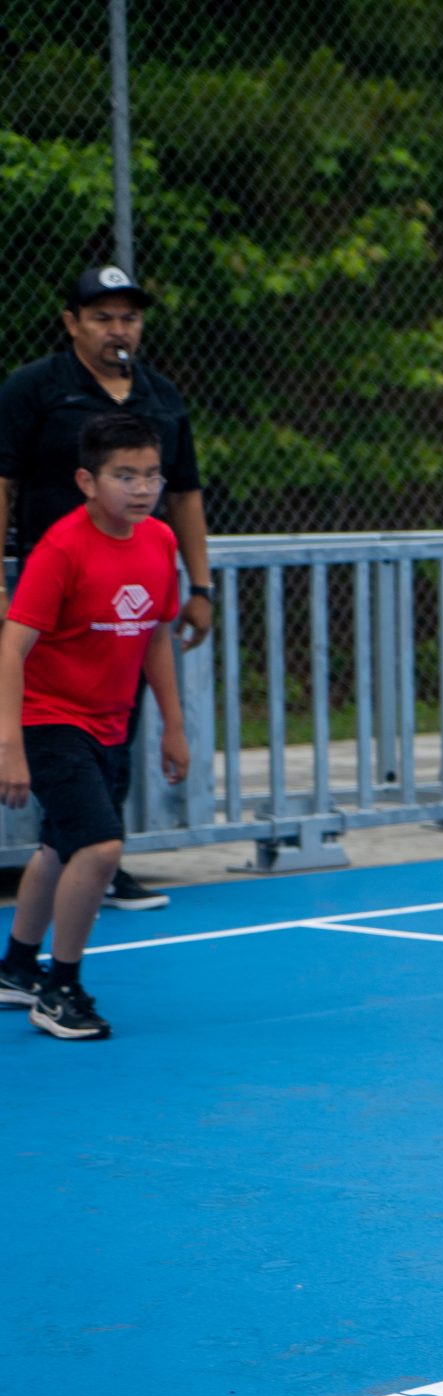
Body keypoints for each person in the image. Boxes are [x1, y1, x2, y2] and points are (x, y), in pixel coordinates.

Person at [0, 266, 214, 914]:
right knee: (55, 722)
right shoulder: (35, 388)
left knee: (113, 728)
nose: (118, 329)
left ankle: (96, 848)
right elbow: (3, 479)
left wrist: (199, 585)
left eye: (129, 317)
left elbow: (185, 491)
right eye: (102, 317)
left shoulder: (161, 396)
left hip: (131, 590)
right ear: (71, 323)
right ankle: (84, 846)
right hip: (53, 584)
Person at [0, 414, 189, 1039]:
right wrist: (9, 747)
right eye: (123, 475)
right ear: (87, 480)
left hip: (111, 722)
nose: (141, 488)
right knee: (101, 847)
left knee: (60, 846)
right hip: (50, 720)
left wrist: (172, 726)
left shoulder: (160, 540)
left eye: (152, 475)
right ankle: (61, 988)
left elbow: (156, 634)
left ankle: (16, 967)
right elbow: (11, 648)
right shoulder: (61, 549)